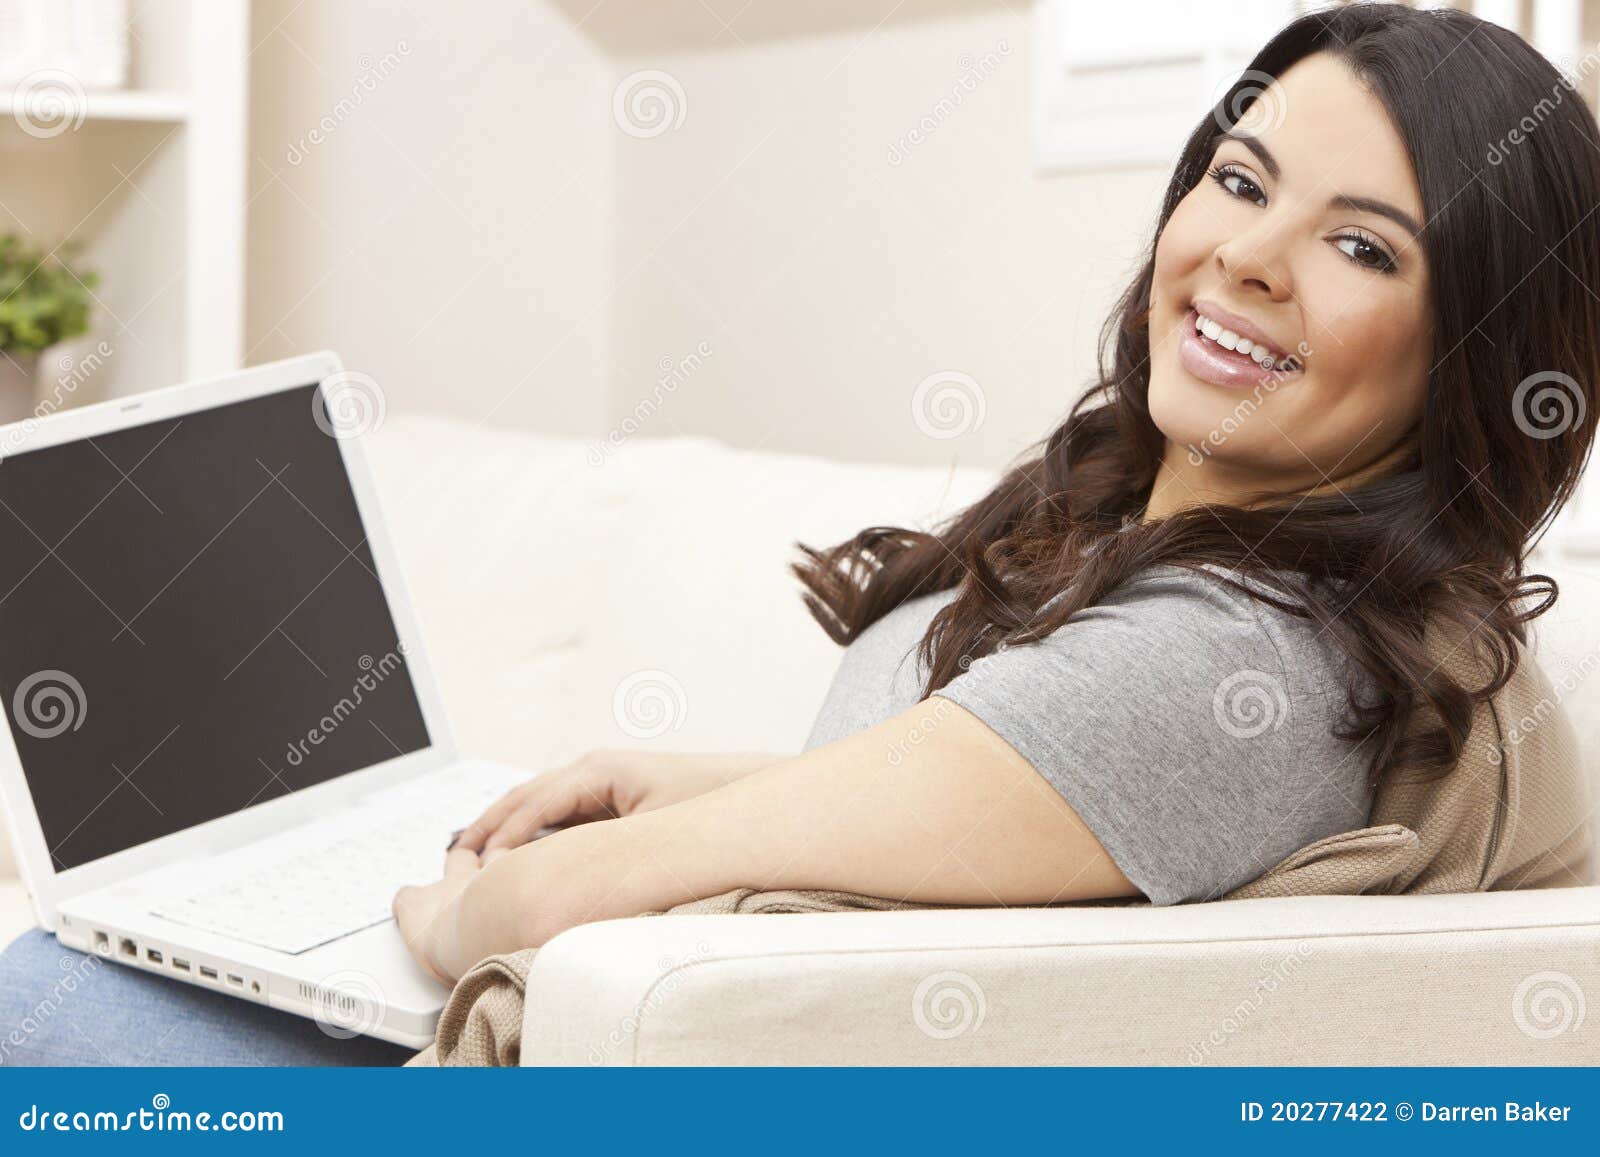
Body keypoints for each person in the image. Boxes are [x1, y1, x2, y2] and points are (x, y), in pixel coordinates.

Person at [4, 2, 1596, 1066]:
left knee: (47, 996)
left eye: (1364, 248)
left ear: (1480, 348)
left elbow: (542, 914)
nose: (1248, 258)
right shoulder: (1220, 569)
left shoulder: (1235, 663)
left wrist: (418, 914)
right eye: (1240, 179)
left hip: (595, 1051)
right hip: (651, 1029)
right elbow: (1024, 803)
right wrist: (710, 783)